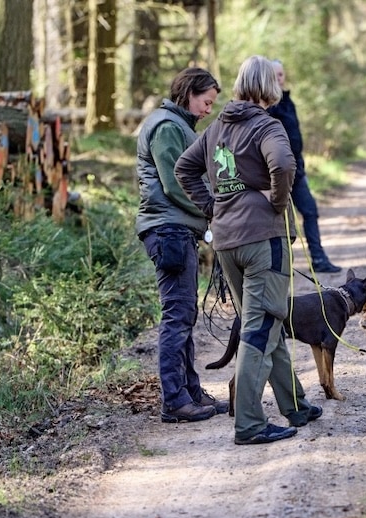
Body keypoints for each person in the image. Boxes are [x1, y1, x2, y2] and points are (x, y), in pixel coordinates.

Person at [175, 55, 322, 445]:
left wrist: (213, 206)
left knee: (264, 322)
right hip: (262, 243)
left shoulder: (216, 126)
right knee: (261, 326)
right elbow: (284, 165)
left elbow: (184, 169)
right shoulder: (265, 126)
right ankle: (250, 424)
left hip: (226, 243)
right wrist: (276, 202)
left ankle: (296, 406)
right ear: (268, 87)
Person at [135, 67, 230, 423]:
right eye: (206, 102)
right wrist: (213, 210)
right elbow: (178, 183)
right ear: (188, 93)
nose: (208, 110)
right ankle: (174, 400)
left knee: (185, 314)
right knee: (177, 317)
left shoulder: (176, 125)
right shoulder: (167, 127)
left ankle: (191, 391)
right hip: (167, 231)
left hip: (177, 230)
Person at [266, 60, 342, 274]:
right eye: (274, 75)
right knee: (278, 221)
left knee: (310, 210)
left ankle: (318, 259)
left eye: (281, 74)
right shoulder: (267, 108)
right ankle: (276, 268)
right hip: (277, 174)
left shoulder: (288, 102)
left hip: (297, 172)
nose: (279, 78)